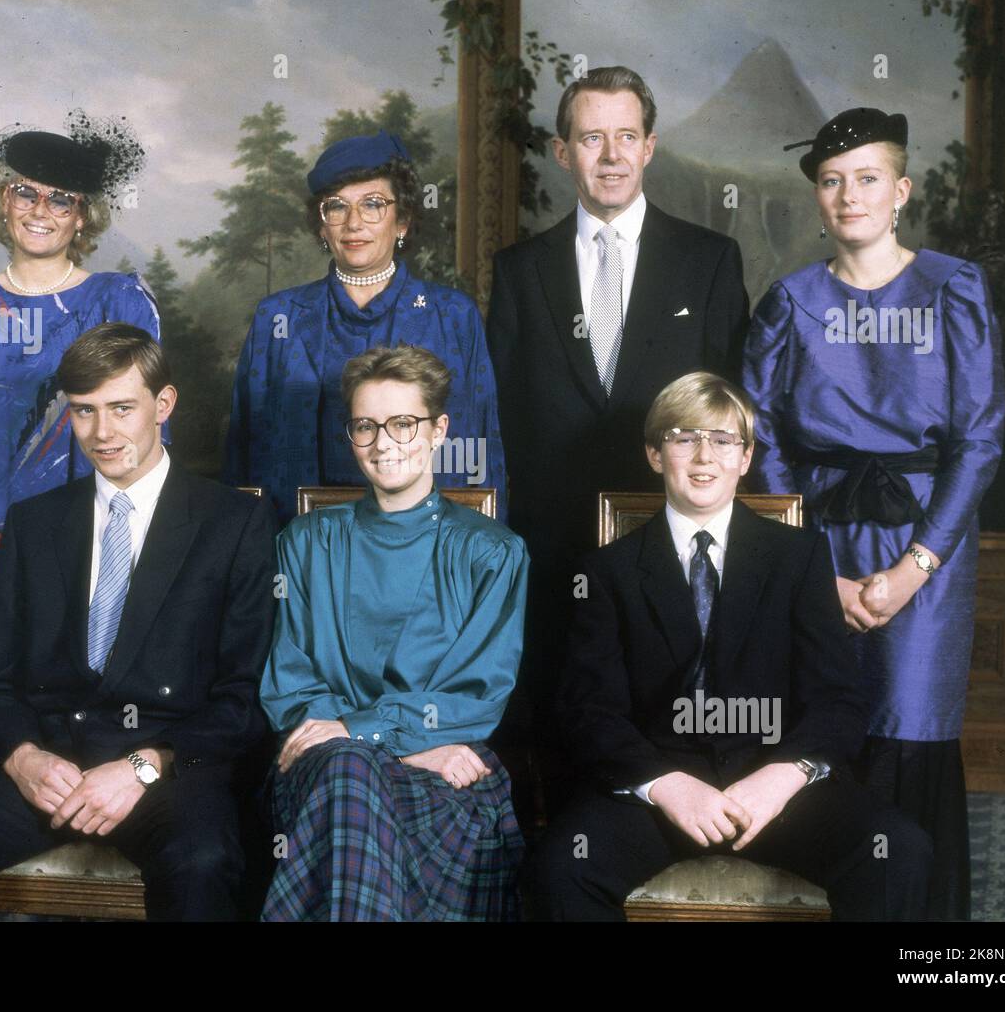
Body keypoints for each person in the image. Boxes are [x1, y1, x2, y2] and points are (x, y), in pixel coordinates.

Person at [0, 324, 277, 921]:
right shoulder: (34, 523)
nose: (102, 433)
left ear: (163, 404)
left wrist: (141, 768)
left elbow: (243, 700)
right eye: (84, 411)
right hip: (50, 768)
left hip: (167, 773)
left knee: (204, 862)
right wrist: (23, 759)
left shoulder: (235, 522)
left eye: (121, 408)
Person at [525, 372, 932, 921]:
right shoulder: (606, 572)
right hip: (660, 792)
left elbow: (839, 701)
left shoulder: (799, 557)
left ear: (745, 458)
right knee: (561, 867)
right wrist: (666, 786)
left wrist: (781, 778)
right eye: (683, 438)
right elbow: (588, 710)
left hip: (774, 786)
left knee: (898, 850)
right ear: (654, 454)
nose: (704, 456)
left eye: (722, 440)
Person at [742, 107, 1005, 921]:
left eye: (866, 178)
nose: (848, 195)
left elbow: (980, 439)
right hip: (814, 539)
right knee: (819, 728)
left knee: (907, 725)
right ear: (817, 198)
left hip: (927, 541)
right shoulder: (790, 300)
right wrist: (813, 570)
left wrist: (914, 567)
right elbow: (760, 439)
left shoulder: (953, 287)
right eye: (831, 181)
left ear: (902, 190)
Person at [485, 66, 750, 802]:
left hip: (666, 539)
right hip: (551, 548)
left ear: (650, 147)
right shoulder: (520, 270)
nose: (610, 156)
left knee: (663, 734)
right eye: (591, 138)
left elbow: (732, 409)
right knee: (555, 747)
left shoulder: (708, 261)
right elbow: (498, 417)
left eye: (626, 137)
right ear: (562, 151)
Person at [0, 110, 161, 780]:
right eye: (26, 192)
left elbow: (144, 451)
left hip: (88, 562)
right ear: (3, 199)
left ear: (84, 217)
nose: (40, 210)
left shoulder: (118, 301)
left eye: (61, 199)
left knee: (73, 752)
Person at [258, 345, 528, 920]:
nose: (384, 444)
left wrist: (363, 732)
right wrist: (401, 748)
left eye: (403, 424)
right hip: (332, 769)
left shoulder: (493, 552)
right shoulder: (305, 543)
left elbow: (478, 696)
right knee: (347, 773)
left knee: (351, 778)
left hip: (448, 779)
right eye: (366, 426)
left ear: (438, 430)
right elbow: (290, 687)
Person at [224, 130, 507, 527]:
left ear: (402, 220)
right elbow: (243, 459)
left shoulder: (452, 316)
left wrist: (479, 548)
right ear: (322, 227)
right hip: (296, 542)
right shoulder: (278, 318)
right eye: (337, 207)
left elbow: (479, 454)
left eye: (373, 204)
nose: (354, 223)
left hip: (428, 544)